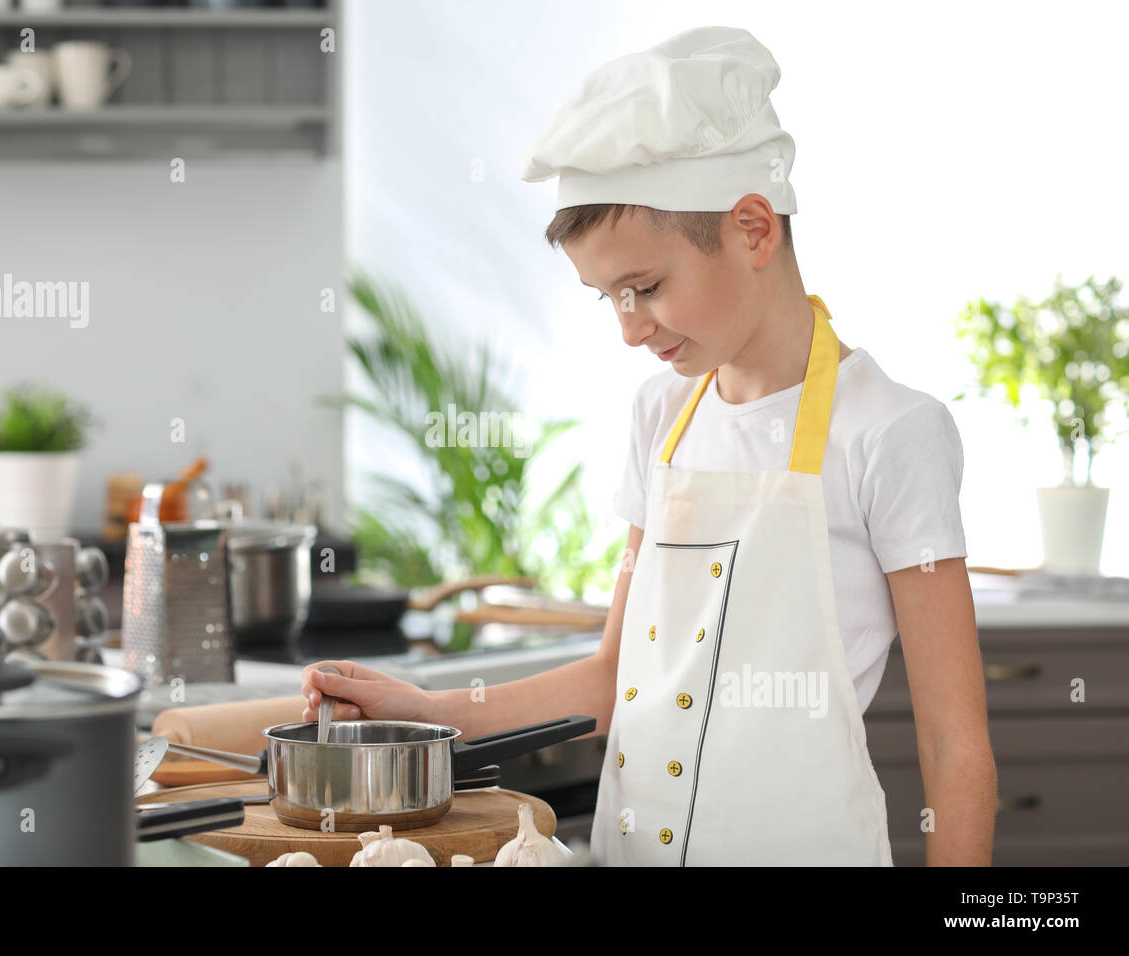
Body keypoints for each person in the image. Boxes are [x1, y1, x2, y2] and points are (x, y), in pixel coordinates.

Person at [302, 25, 996, 866]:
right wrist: (427, 707)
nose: (631, 329)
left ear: (752, 229)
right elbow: (613, 679)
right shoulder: (659, 416)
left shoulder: (891, 431)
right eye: (608, 299)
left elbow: (955, 750)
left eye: (646, 288)